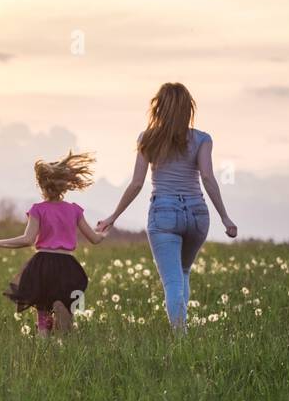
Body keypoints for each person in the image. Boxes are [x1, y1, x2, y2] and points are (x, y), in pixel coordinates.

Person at [97, 83, 237, 332]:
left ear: (158, 107)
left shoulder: (147, 139)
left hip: (164, 213)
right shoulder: (202, 139)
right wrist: (225, 218)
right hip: (197, 214)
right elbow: (207, 177)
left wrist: (113, 216)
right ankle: (182, 331)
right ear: (188, 108)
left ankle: (180, 339)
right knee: (183, 272)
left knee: (172, 280)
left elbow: (137, 184)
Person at [0, 152, 106, 336]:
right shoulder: (74, 210)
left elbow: (27, 239)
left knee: (42, 312)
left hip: (43, 265)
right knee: (66, 314)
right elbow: (95, 239)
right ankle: (63, 345)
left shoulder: (38, 209)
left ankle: (44, 343)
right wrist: (104, 230)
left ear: (42, 185)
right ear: (65, 185)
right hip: (67, 266)